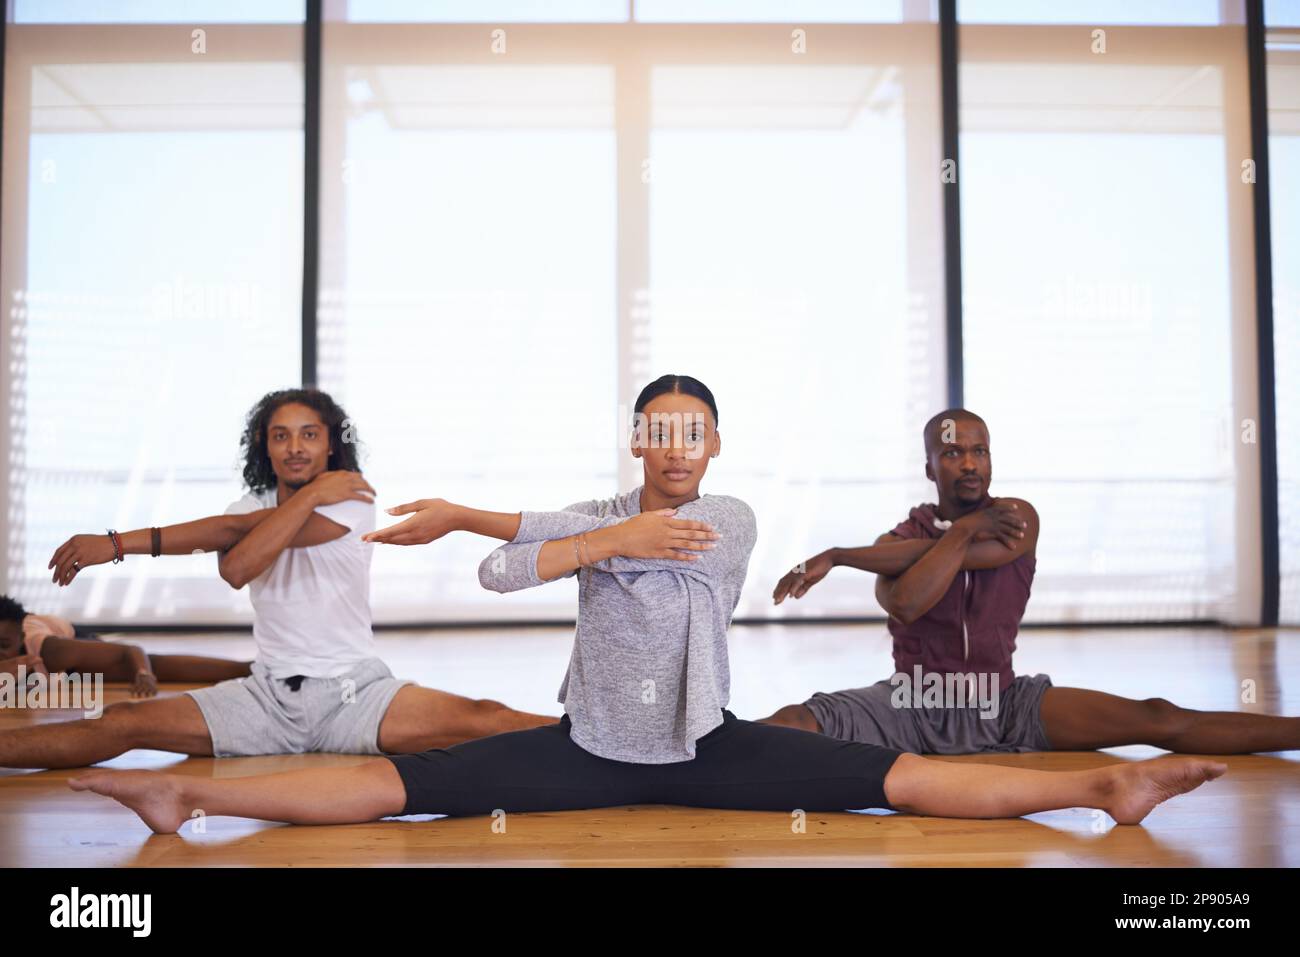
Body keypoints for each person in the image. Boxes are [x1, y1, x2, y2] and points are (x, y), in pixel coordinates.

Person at [67, 377, 1226, 834]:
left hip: (708, 749)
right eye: (656, 432)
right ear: (637, 441)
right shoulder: (601, 516)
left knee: (904, 787)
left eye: (693, 433)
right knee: (389, 792)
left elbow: (591, 543)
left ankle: (1102, 786)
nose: (675, 448)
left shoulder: (729, 521)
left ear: (712, 444)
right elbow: (502, 569)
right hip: (586, 750)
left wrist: (581, 538)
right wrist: (482, 519)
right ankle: (184, 795)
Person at [0, 388, 554, 770]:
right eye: (281, 436)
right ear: (264, 446)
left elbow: (239, 546)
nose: (295, 447)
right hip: (264, 700)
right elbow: (237, 565)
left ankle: (607, 746)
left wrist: (121, 544)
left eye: (309, 435)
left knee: (488, 718)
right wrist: (312, 491)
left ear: (330, 443)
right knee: (120, 722)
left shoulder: (355, 499)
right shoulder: (261, 502)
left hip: (356, 693)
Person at [764, 409, 1300, 755]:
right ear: (930, 469)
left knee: (1158, 717)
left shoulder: (1018, 515)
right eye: (952, 453)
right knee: (793, 722)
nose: (969, 464)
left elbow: (958, 560)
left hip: (1005, 702)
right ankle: (692, 758)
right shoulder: (898, 537)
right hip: (911, 703)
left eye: (980, 451)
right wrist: (965, 528)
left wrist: (845, 556)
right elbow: (906, 604)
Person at [0, 595, 250, 697]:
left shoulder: (53, 650)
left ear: (21, 639)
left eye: (4, 645)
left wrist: (144, 674)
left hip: (78, 643)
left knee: (155, 664)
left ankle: (247, 668)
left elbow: (129, 650)